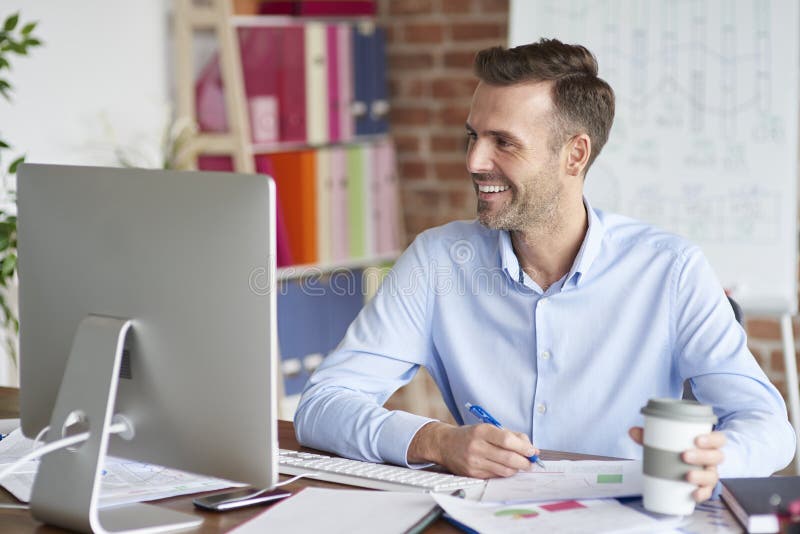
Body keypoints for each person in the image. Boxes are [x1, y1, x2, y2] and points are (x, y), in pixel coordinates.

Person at [294, 38, 796, 502]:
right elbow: (322, 405)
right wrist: (435, 440)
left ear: (574, 154)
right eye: (472, 136)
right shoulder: (437, 260)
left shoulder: (670, 270)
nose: (474, 160)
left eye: (502, 142)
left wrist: (715, 459)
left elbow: (769, 426)